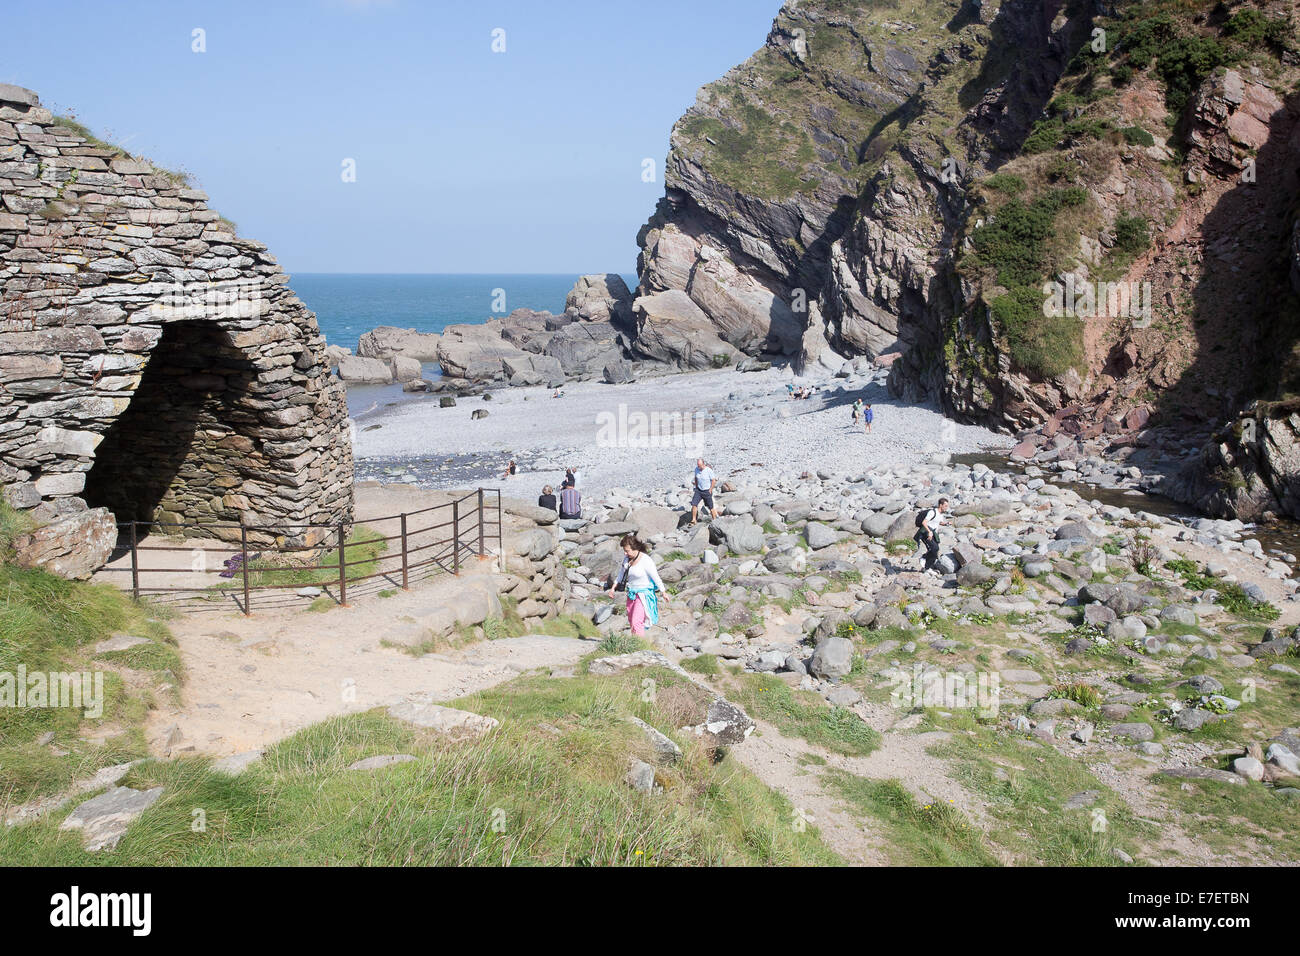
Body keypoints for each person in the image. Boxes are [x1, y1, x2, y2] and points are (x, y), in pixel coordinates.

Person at [607, 534, 670, 636]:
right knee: (632, 621)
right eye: (624, 550)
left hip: (643, 595)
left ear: (635, 548)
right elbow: (621, 574)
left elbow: (656, 577)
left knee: (637, 621)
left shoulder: (646, 560)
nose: (625, 553)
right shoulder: (627, 559)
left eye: (627, 550)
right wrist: (613, 588)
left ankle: (640, 646)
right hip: (631, 593)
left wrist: (663, 592)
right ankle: (635, 643)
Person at [914, 497, 950, 573]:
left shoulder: (940, 514)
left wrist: (946, 523)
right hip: (926, 532)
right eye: (945, 506)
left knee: (935, 551)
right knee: (935, 548)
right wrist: (929, 531)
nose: (947, 508)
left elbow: (939, 522)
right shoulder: (932, 512)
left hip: (933, 533)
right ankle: (924, 558)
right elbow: (924, 522)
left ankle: (927, 568)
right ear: (940, 505)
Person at [690, 457, 720, 524]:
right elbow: (696, 478)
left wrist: (710, 489)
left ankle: (714, 521)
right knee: (694, 504)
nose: (698, 467)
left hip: (707, 491)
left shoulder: (708, 470)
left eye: (699, 466)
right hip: (699, 491)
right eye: (698, 465)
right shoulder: (696, 469)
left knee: (711, 507)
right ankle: (693, 520)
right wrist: (696, 487)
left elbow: (713, 480)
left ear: (703, 464)